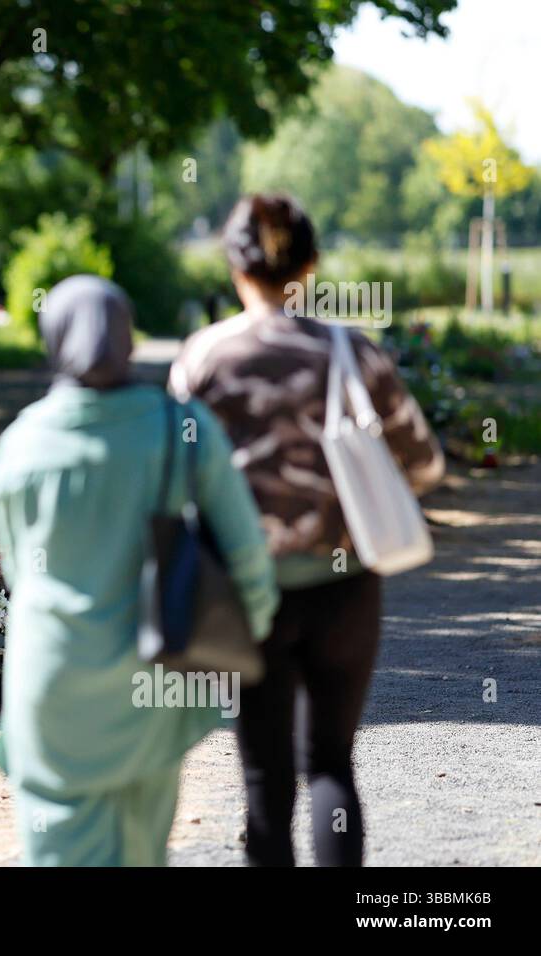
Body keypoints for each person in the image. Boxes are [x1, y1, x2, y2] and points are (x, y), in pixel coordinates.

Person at [169, 194, 445, 866]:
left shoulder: (204, 358)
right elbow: (426, 463)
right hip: (345, 589)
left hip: (248, 593)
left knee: (264, 776)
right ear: (311, 265)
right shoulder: (354, 353)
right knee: (329, 764)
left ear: (236, 267)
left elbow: (171, 479)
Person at [0, 275, 278, 866]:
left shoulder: (18, 445)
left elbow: (18, 571)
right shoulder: (182, 428)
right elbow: (248, 555)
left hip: (50, 680)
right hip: (153, 675)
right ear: (128, 339)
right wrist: (255, 626)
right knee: (141, 847)